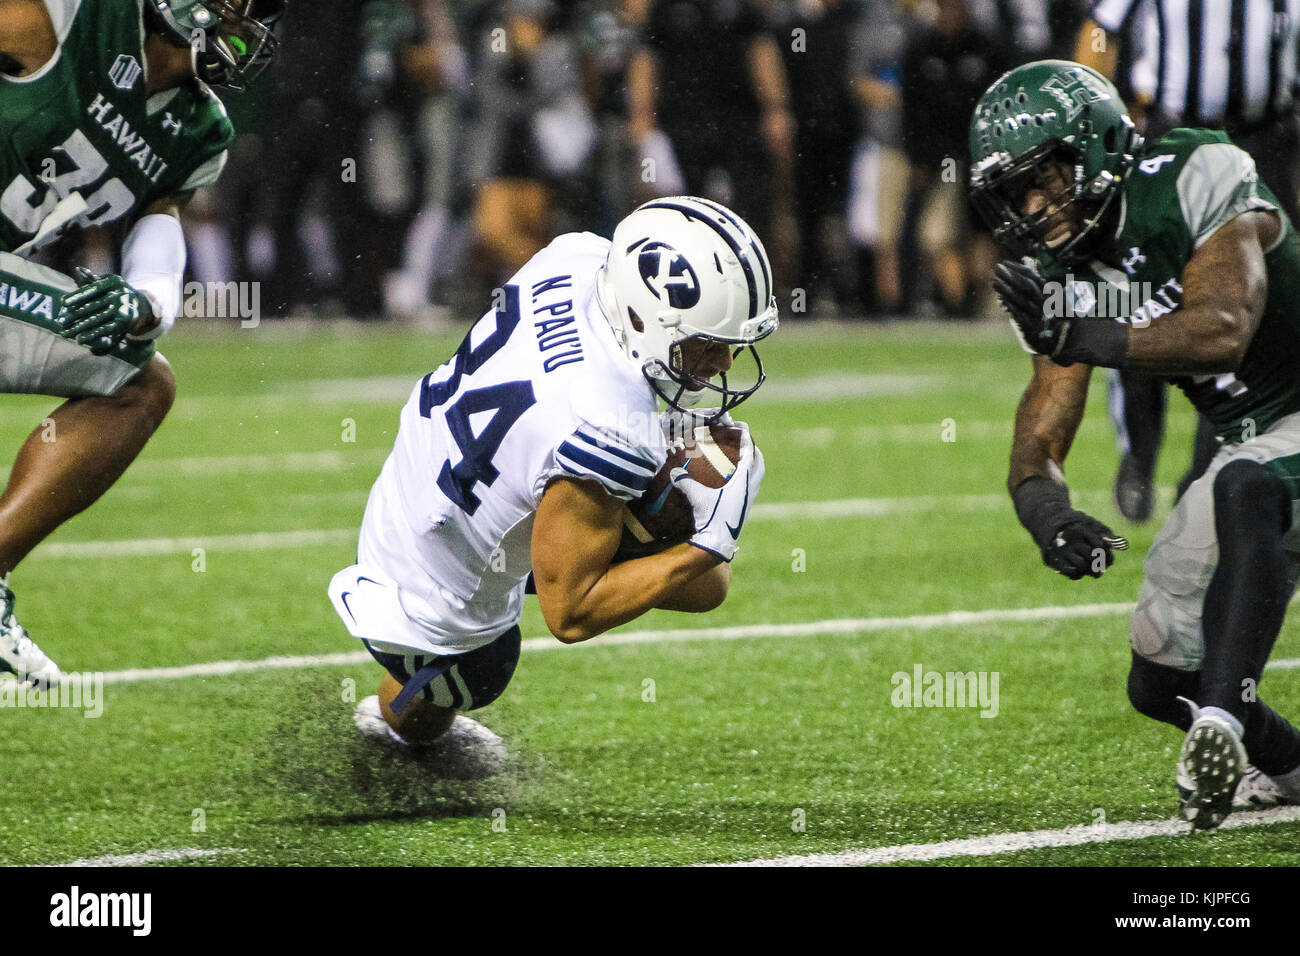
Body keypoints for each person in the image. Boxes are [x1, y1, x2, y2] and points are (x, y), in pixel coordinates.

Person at [969, 60, 1300, 830]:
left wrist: (1079, 333)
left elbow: (1223, 329)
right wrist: (1047, 512)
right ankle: (1286, 765)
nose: (1032, 206)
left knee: (1242, 485)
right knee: (1157, 673)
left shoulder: (1193, 172)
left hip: (1282, 425)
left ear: (1095, 147)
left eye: (1043, 177)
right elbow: (1044, 422)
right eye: (1014, 192)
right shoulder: (1059, 270)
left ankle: (1219, 727)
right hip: (1254, 440)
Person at [330, 196, 776, 764]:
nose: (727, 362)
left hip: (421, 463)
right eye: (710, 342)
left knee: (701, 578)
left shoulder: (575, 257)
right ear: (647, 319)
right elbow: (569, 616)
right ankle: (400, 725)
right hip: (435, 584)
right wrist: (708, 544)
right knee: (487, 667)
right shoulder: (611, 425)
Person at [0, 0, 284, 687]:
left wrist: (146, 303)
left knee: (141, 382)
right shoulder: (65, 18)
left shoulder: (197, 126)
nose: (248, 29)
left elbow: (159, 215)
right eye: (241, 8)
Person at [1075, 0, 1300, 522]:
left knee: (1251, 313)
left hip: (1263, 140)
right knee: (1142, 294)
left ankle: (1208, 466)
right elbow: (1101, 31)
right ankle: (1140, 449)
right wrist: (1097, 114)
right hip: (1172, 138)